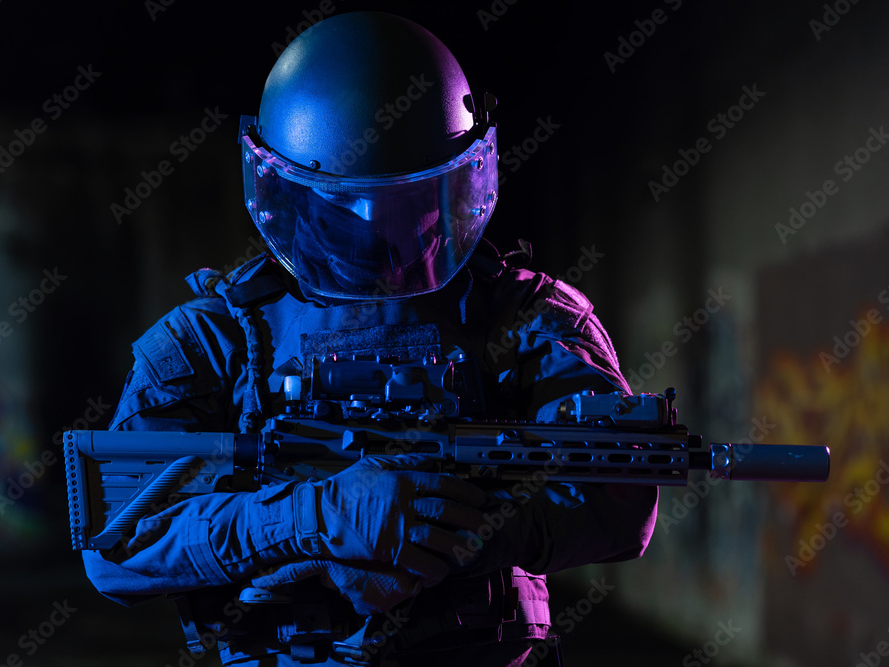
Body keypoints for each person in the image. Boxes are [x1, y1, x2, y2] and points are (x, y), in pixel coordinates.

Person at [81, 10, 658, 666]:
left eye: (401, 198)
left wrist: (447, 527)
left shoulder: (528, 316)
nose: (371, 222)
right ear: (288, 189)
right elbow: (118, 544)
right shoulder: (212, 339)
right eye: (345, 199)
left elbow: (620, 497)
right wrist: (313, 517)